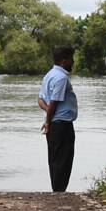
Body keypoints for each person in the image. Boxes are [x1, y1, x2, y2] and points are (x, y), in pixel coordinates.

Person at [38, 47, 78, 192]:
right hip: (61, 125)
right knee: (63, 160)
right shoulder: (61, 78)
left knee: (55, 160)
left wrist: (48, 117)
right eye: (71, 59)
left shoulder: (49, 75)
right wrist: (48, 121)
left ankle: (56, 190)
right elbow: (54, 102)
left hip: (54, 124)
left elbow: (41, 100)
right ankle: (59, 192)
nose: (73, 62)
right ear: (63, 61)